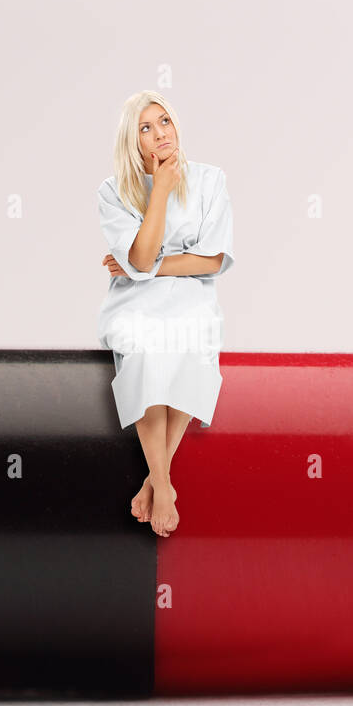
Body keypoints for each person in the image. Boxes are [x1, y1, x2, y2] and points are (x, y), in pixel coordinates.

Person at [95, 91, 236, 538]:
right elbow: (138, 255)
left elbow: (211, 261)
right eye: (145, 128)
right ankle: (165, 486)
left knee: (192, 342)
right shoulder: (114, 191)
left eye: (164, 122)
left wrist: (149, 268)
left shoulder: (211, 180)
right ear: (133, 143)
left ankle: (154, 480)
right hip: (135, 301)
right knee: (143, 351)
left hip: (191, 293)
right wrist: (161, 191)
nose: (159, 134)